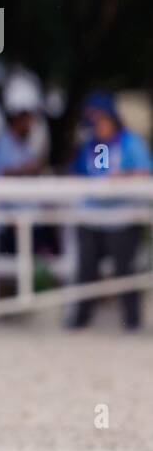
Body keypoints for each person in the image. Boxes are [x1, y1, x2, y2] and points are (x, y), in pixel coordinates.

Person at [67, 92, 152, 331]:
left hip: (123, 217)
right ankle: (80, 319)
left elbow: (145, 172)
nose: (97, 124)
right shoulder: (90, 145)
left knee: (125, 271)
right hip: (92, 216)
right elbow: (79, 175)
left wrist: (122, 178)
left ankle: (131, 322)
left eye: (100, 118)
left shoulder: (130, 142)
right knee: (86, 269)